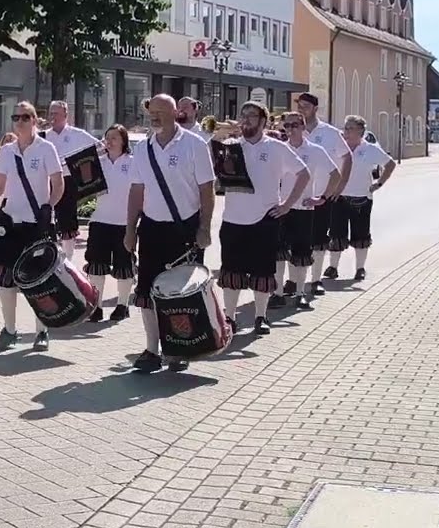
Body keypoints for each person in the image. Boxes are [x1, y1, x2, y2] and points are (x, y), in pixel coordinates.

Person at [124, 95, 216, 372]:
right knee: (147, 290)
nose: (155, 117)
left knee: (182, 294)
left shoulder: (195, 144)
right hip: (152, 227)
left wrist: (204, 228)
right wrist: (130, 230)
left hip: (185, 229)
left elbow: (207, 189)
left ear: (175, 113)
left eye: (161, 112)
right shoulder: (143, 148)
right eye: (152, 112)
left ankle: (180, 348)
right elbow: (136, 191)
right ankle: (152, 350)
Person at [212, 101, 309, 337]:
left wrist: (287, 205)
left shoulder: (276, 147)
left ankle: (260, 316)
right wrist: (218, 136)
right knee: (231, 271)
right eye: (243, 114)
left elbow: (303, 173)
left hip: (264, 218)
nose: (245, 119)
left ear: (263, 121)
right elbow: (209, 163)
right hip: (233, 218)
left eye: (251, 115)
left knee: (263, 271)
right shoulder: (231, 145)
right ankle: (230, 318)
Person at [0, 101, 63, 352]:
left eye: (25, 117)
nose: (19, 121)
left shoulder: (46, 148)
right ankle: (9, 330)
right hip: (11, 223)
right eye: (15, 117)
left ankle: (41, 331)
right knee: (5, 280)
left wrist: (49, 207)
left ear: (35, 120)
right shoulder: (7, 151)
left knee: (39, 280)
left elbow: (58, 184)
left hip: (37, 224)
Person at [270, 112, 338, 311]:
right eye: (287, 126)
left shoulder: (315, 150)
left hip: (304, 208)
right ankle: (278, 293)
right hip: (281, 207)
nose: (290, 129)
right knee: (279, 252)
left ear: (302, 127)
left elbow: (335, 174)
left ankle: (300, 294)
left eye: (294, 125)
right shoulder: (280, 149)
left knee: (302, 253)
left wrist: (322, 198)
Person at [294, 93, 351, 295]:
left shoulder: (330, 133)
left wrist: (340, 186)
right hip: (294, 197)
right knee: (295, 241)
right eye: (299, 106)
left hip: (320, 196)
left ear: (315, 109)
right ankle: (293, 281)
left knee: (318, 240)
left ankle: (315, 280)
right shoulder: (291, 129)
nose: (301, 109)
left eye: (306, 106)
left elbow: (347, 157)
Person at [326, 115, 395, 281]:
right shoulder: (337, 148)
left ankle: (360, 268)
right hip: (338, 196)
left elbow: (390, 164)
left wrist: (379, 183)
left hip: (362, 197)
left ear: (361, 131)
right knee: (336, 234)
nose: (346, 131)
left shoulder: (370, 149)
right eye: (345, 128)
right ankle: (333, 267)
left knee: (361, 235)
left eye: (351, 128)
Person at [83, 124, 137, 322]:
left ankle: (122, 305)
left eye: (115, 138)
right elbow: (80, 181)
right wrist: (92, 156)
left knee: (124, 265)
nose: (110, 141)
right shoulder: (98, 162)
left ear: (123, 141)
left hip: (124, 222)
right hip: (100, 220)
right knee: (96, 265)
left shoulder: (133, 162)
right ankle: (96, 306)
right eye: (107, 138)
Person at [42, 100, 97, 261]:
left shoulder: (77, 134)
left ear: (65, 115)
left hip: (68, 180)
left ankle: (68, 259)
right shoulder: (43, 136)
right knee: (45, 216)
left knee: (68, 221)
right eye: (51, 113)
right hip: (46, 181)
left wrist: (78, 164)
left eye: (56, 113)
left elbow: (100, 147)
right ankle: (48, 256)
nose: (52, 117)